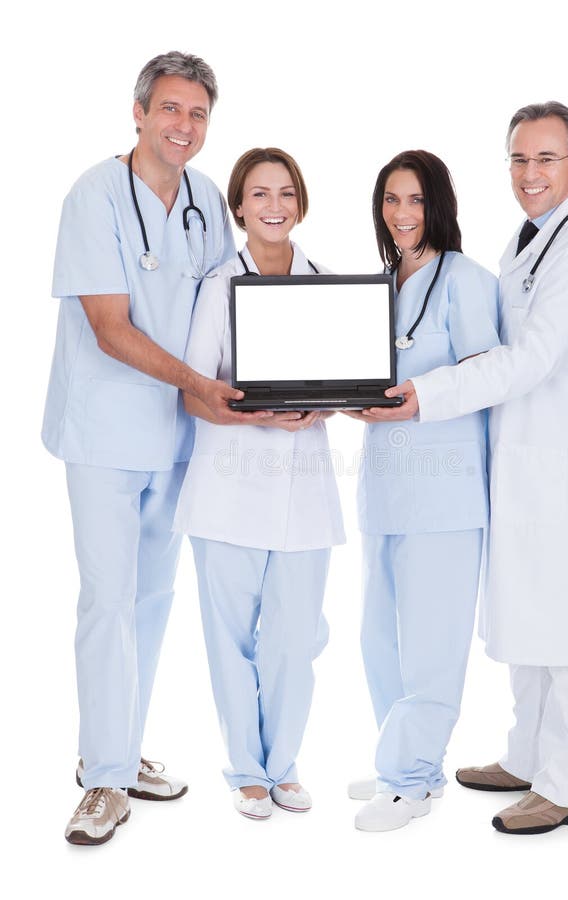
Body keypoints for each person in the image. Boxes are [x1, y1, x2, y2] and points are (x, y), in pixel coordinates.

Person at [364, 103, 568, 835]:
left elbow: (530, 358)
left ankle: (567, 784)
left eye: (545, 159)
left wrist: (429, 393)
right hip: (521, 462)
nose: (530, 174)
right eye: (518, 159)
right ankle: (527, 755)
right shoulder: (528, 240)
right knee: (528, 614)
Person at [42, 51, 251, 845]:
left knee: (153, 601)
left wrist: (261, 394)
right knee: (107, 599)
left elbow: (224, 309)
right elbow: (109, 325)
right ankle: (101, 781)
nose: (183, 126)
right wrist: (201, 387)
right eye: (170, 109)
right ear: (139, 113)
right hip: (104, 429)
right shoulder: (92, 196)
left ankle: (120, 753)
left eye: (198, 114)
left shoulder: (204, 199)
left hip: (179, 432)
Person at [174, 147, 345, 821]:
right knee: (230, 637)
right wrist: (258, 413)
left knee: (295, 636)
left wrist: (320, 407)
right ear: (238, 207)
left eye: (286, 193)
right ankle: (247, 769)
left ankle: (285, 765)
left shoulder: (328, 283)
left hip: (304, 491)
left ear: (300, 203)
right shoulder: (220, 286)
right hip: (228, 489)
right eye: (259, 194)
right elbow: (193, 391)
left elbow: (340, 384)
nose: (274, 206)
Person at [344, 150, 499, 832]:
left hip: (445, 492)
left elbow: (485, 376)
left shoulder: (467, 280)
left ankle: (407, 781)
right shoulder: (382, 281)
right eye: (390, 200)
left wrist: (416, 402)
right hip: (386, 486)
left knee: (432, 644)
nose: (402, 214)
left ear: (439, 205)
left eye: (415, 200)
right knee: (382, 637)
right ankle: (407, 768)